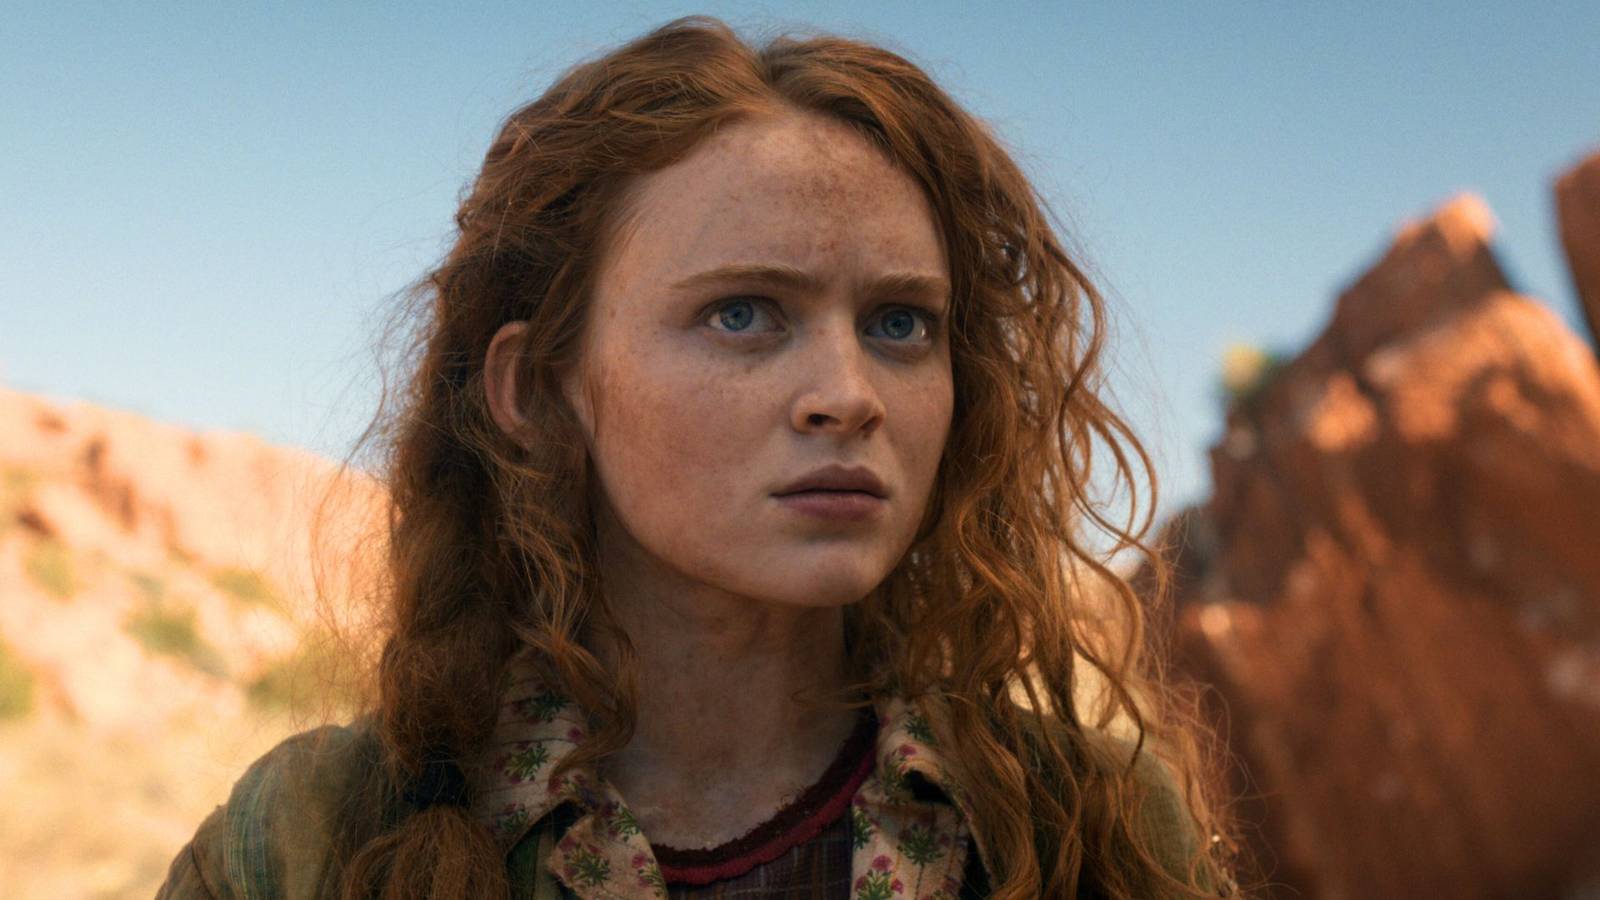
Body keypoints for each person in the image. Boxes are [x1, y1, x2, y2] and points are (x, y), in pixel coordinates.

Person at [156, 15, 1243, 900]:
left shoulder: (1082, 828)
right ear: (536, 389)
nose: (848, 395)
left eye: (900, 323)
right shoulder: (309, 842)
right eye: (742, 313)